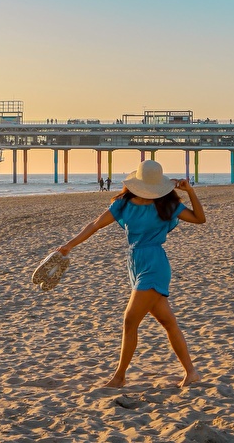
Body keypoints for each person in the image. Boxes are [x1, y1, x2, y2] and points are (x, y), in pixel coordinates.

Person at [57, 160, 206, 388]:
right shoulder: (123, 204)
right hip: (135, 262)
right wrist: (70, 244)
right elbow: (95, 224)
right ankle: (191, 373)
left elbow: (199, 219)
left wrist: (191, 191)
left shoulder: (166, 204)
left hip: (155, 264)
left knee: (129, 320)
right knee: (168, 322)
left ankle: (119, 377)